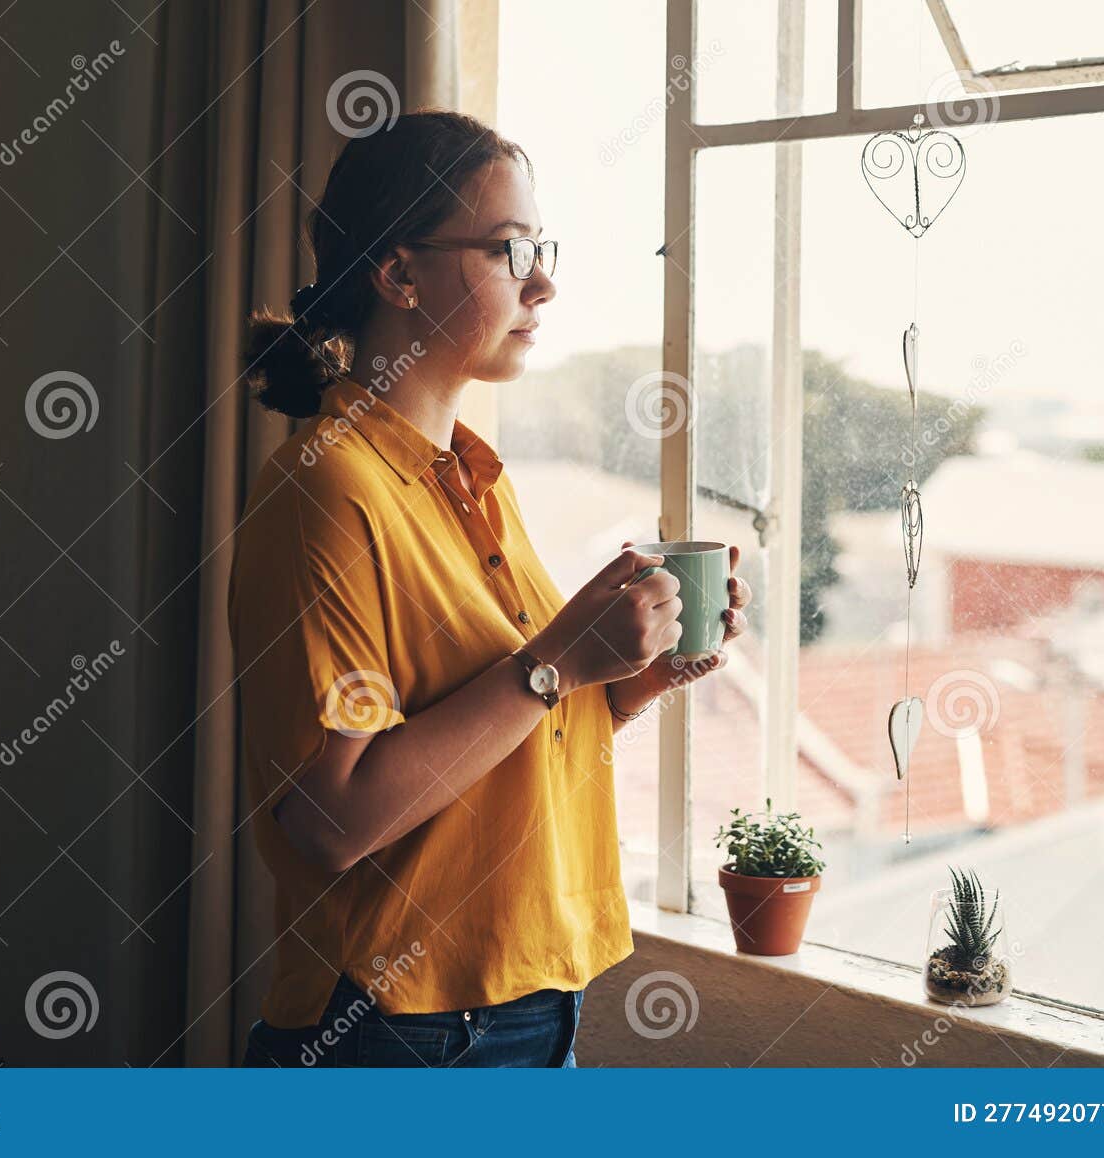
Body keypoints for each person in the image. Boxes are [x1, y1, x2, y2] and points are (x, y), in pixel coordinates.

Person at [227, 109, 750, 1067]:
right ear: (398, 274)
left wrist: (627, 674)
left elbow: (495, 735)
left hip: (524, 1003)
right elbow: (328, 824)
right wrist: (556, 664)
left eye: (539, 248)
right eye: (511, 250)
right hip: (398, 1032)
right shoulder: (329, 490)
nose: (544, 282)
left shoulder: (466, 475)